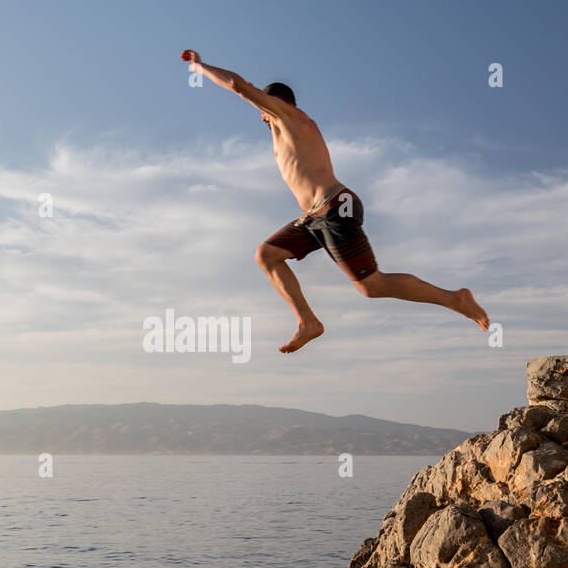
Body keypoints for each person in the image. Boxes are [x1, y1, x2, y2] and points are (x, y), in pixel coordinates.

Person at [181, 50, 490, 353]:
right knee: (267, 254)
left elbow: (237, 85)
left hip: (335, 206)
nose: (260, 115)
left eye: (262, 108)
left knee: (372, 285)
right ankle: (308, 322)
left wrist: (200, 68)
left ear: (273, 104)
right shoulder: (283, 126)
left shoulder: (290, 117)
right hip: (315, 215)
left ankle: (455, 299)